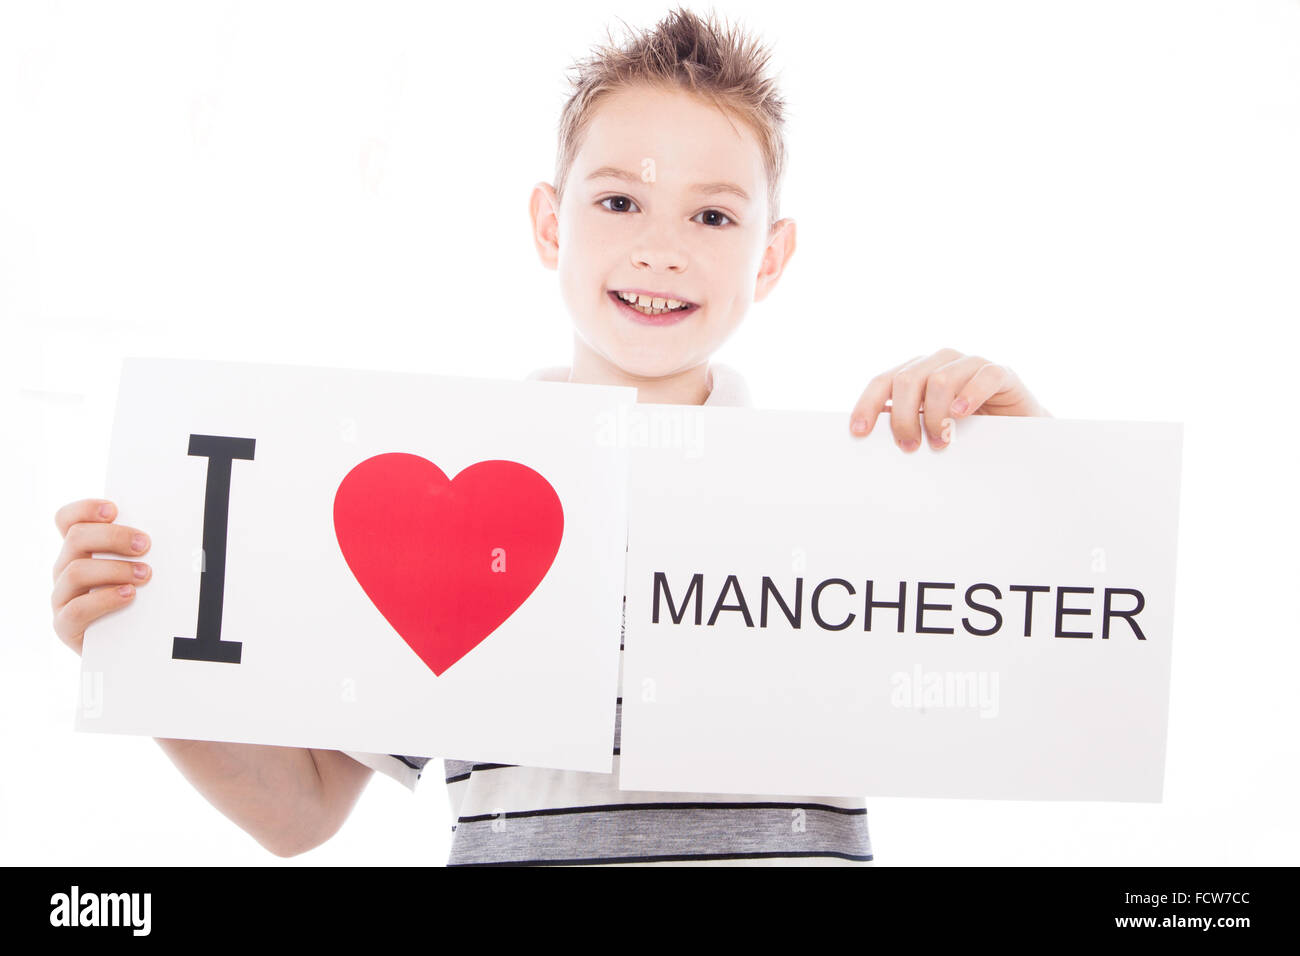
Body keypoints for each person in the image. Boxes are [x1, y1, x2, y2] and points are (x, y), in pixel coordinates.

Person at [49, 6, 1050, 865]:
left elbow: (1043, 667)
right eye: (619, 200)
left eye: (712, 215)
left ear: (771, 255)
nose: (660, 246)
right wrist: (139, 654)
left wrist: (1037, 459)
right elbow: (301, 805)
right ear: (549, 225)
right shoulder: (437, 502)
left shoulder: (843, 492)